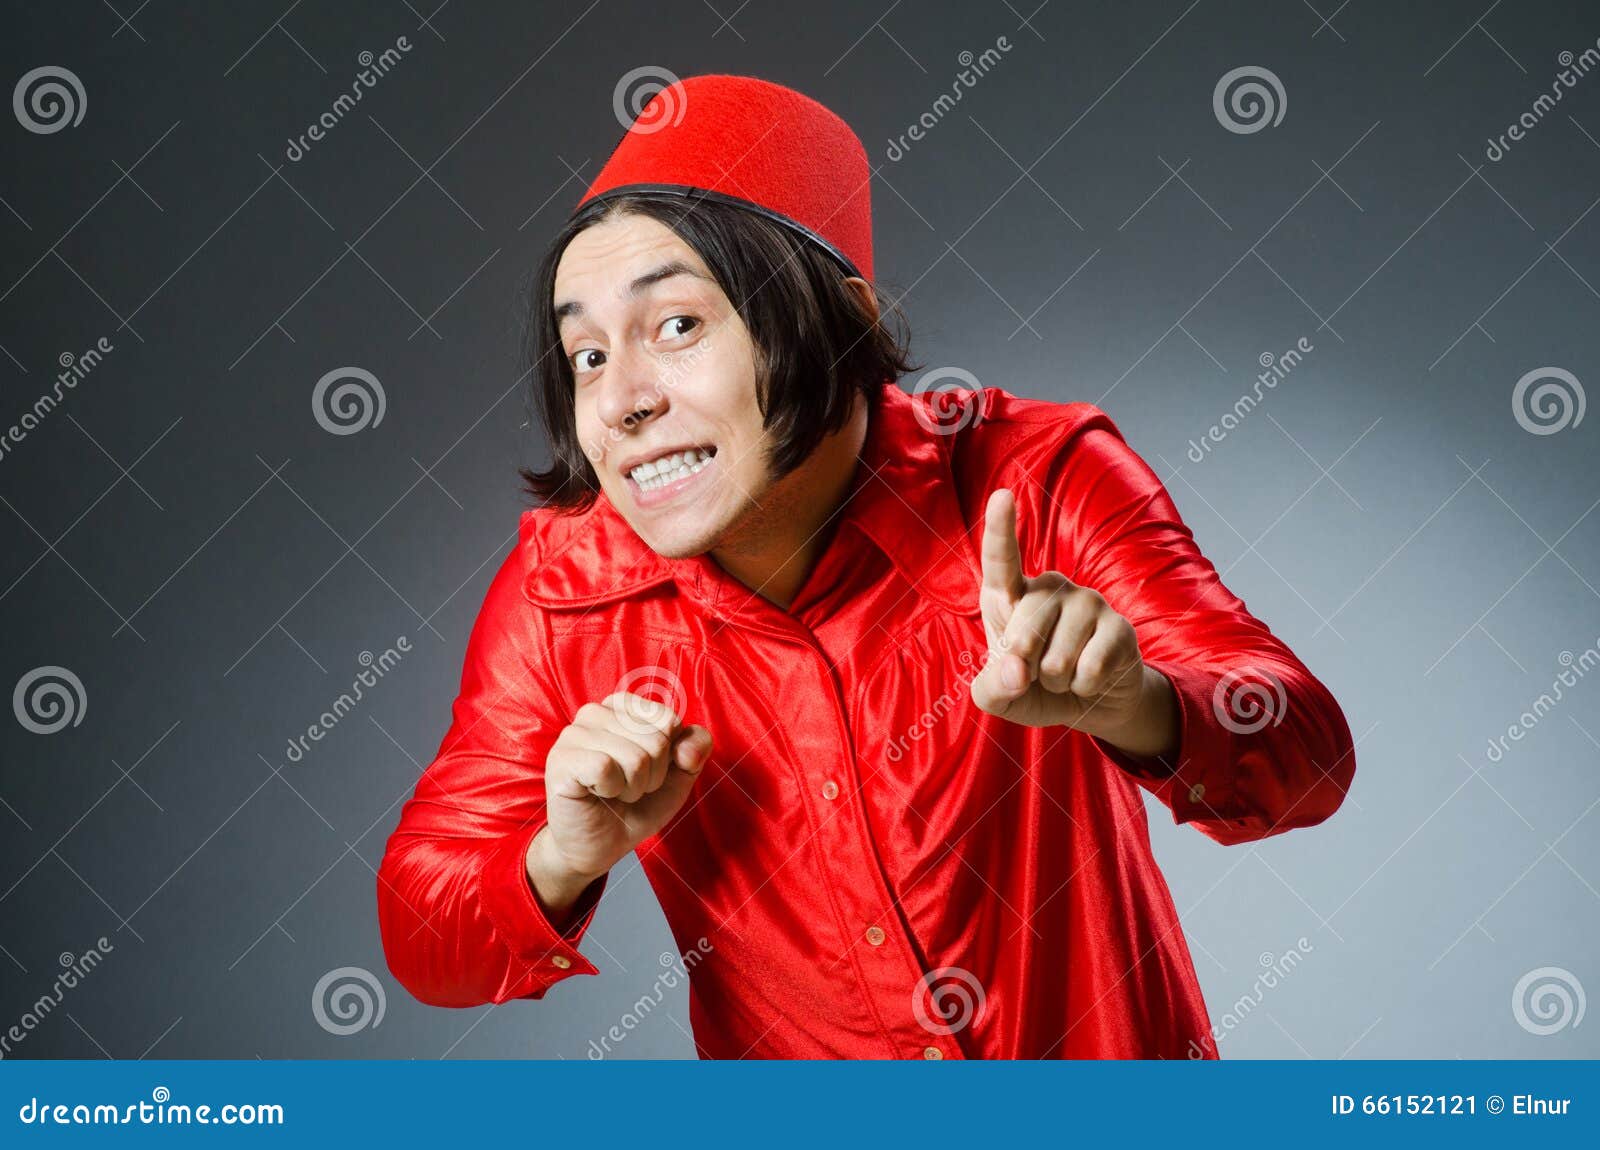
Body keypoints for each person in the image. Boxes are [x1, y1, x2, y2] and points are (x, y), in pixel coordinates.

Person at [375, 73, 1355, 1059]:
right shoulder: (563, 594)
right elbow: (422, 934)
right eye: (585, 354)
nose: (621, 401)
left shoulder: (1038, 475)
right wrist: (558, 858)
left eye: (676, 325)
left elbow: (1309, 759)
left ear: (837, 321)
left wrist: (1137, 703)